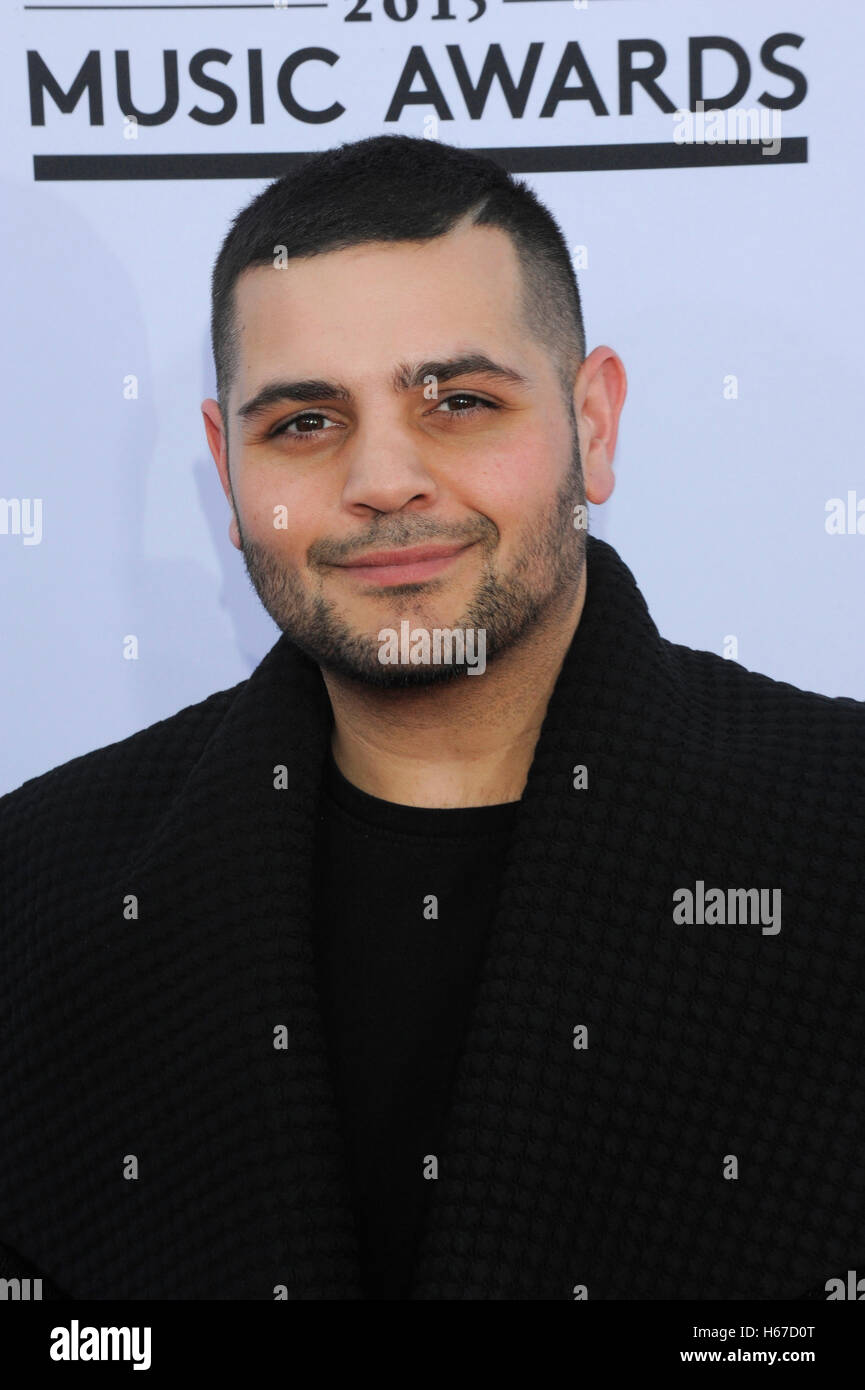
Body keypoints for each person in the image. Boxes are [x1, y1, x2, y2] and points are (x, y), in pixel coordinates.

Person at [1, 134, 863, 1302]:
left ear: (592, 424)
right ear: (227, 468)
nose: (385, 478)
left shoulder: (838, 831)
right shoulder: (41, 886)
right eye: (304, 422)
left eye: (458, 402)